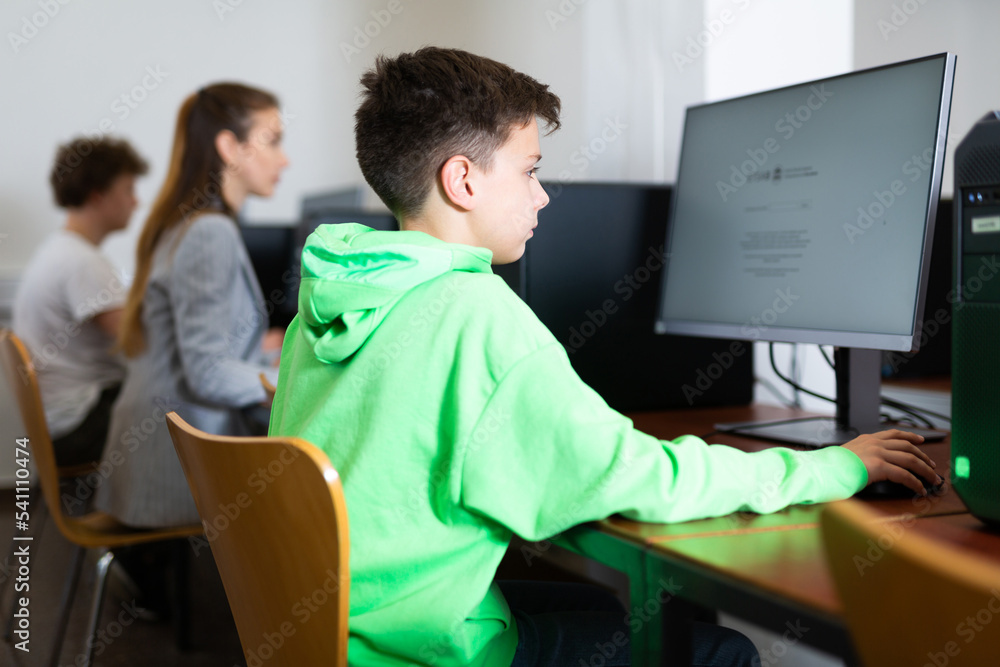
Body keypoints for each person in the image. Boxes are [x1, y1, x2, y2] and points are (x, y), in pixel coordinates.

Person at [268, 48, 940, 667]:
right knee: (722, 651)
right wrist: (837, 465)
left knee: (604, 606)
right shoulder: (474, 313)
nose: (542, 195)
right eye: (530, 170)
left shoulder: (327, 303)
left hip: (337, 629)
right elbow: (641, 478)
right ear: (463, 180)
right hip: (426, 653)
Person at [95, 82, 289, 529]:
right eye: (274, 141)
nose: (285, 159)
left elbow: (206, 352)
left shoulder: (189, 223)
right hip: (169, 466)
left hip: (152, 450)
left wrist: (262, 357)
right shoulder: (209, 232)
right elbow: (208, 373)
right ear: (229, 147)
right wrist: (293, 380)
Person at [13, 137, 147, 467]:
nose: (136, 202)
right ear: (97, 194)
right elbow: (138, 342)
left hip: (59, 421)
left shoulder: (59, 250)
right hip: (79, 424)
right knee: (184, 411)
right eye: (128, 190)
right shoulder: (82, 263)